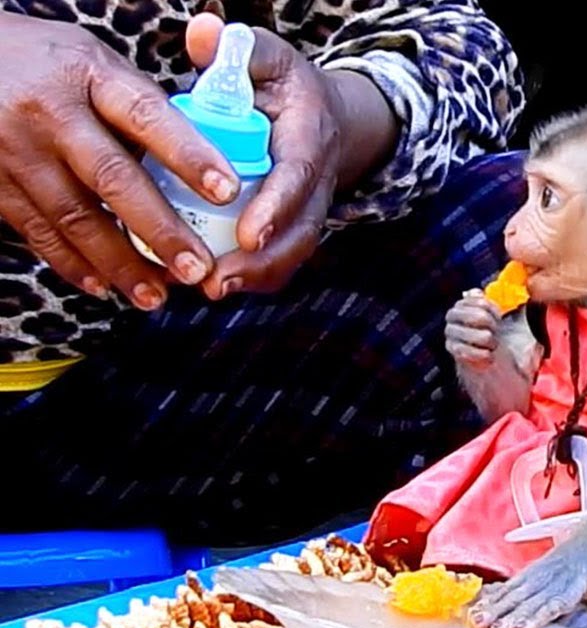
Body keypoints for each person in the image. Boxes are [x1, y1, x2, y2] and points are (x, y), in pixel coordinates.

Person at [0, 0, 528, 546]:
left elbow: (464, 45)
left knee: (539, 211)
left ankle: (478, 561)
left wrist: (345, 118)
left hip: (173, 370)